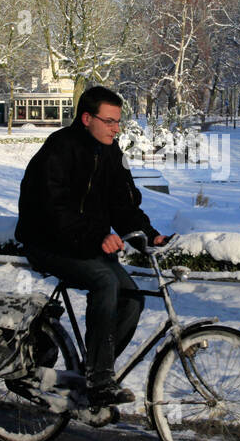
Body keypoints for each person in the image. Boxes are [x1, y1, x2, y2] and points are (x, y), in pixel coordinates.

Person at [15, 86, 167, 407]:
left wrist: (149, 235)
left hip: (84, 243)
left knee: (132, 298)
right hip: (47, 241)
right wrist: (95, 237)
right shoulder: (60, 148)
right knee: (106, 281)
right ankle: (98, 380)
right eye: (109, 121)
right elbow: (52, 208)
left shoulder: (111, 152)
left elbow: (123, 205)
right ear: (87, 118)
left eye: (118, 122)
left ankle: (94, 370)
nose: (116, 129)